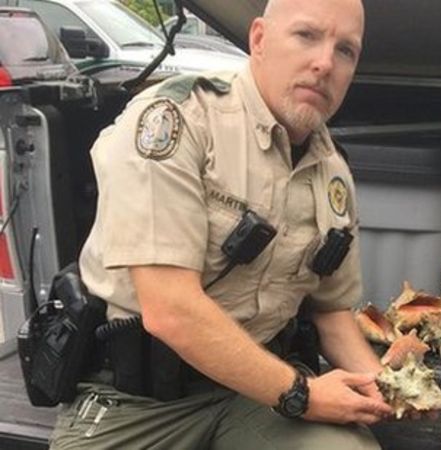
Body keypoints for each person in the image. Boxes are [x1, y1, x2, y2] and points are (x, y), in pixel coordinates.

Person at [49, 0, 395, 448]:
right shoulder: (178, 120)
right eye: (306, 35)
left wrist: (388, 388)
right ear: (259, 39)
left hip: (258, 393)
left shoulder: (333, 174)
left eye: (345, 50)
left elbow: (330, 312)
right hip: (137, 401)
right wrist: (304, 395)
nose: (325, 63)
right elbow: (170, 308)